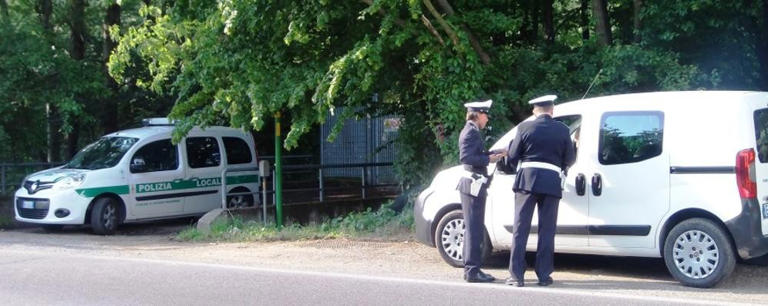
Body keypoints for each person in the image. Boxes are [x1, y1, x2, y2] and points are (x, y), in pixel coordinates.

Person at [504, 95, 576, 287]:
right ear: (552, 110)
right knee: (547, 230)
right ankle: (544, 275)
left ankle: (517, 276)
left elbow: (512, 157)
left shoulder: (524, 128)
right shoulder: (563, 130)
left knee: (520, 229)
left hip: (527, 182)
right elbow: (570, 159)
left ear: (535, 111)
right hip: (551, 183)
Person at [456, 99, 506, 283]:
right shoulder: (470, 132)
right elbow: (466, 157)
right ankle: (472, 270)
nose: (487, 119)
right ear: (477, 114)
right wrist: (488, 160)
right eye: (485, 115)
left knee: (474, 228)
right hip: (472, 185)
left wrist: (494, 154)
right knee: (474, 229)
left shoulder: (472, 130)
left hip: (474, 184)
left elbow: (476, 155)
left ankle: (472, 269)